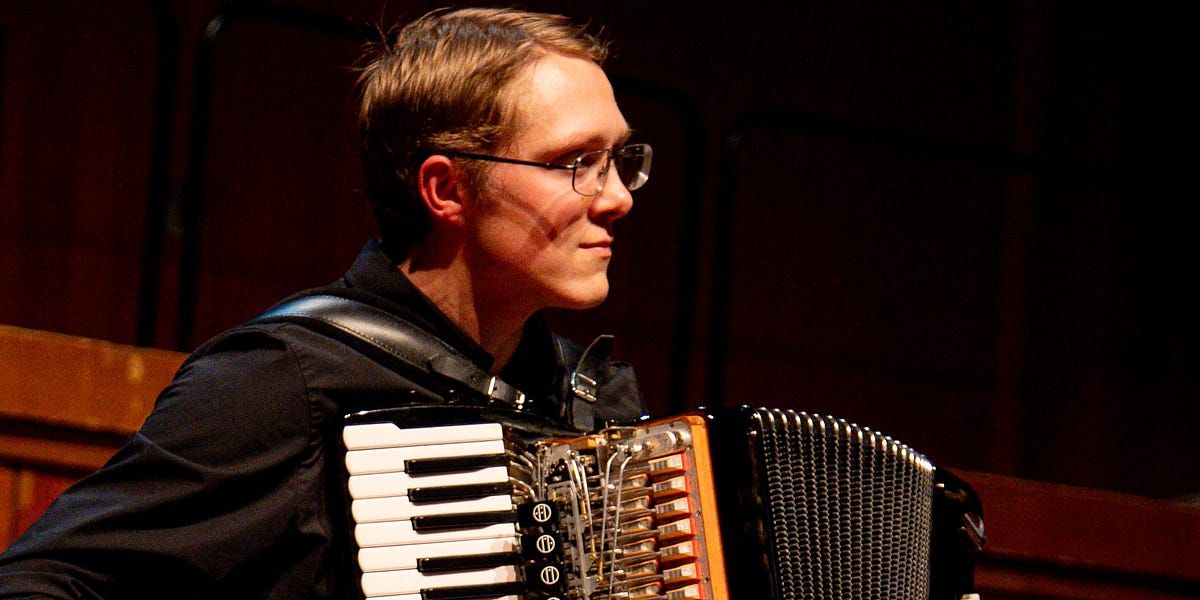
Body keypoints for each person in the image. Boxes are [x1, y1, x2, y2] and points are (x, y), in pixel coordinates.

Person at [0, 7, 651, 597]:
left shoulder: (595, 401)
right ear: (445, 188)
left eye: (620, 159)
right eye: (575, 161)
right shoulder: (285, 382)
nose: (617, 195)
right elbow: (42, 584)